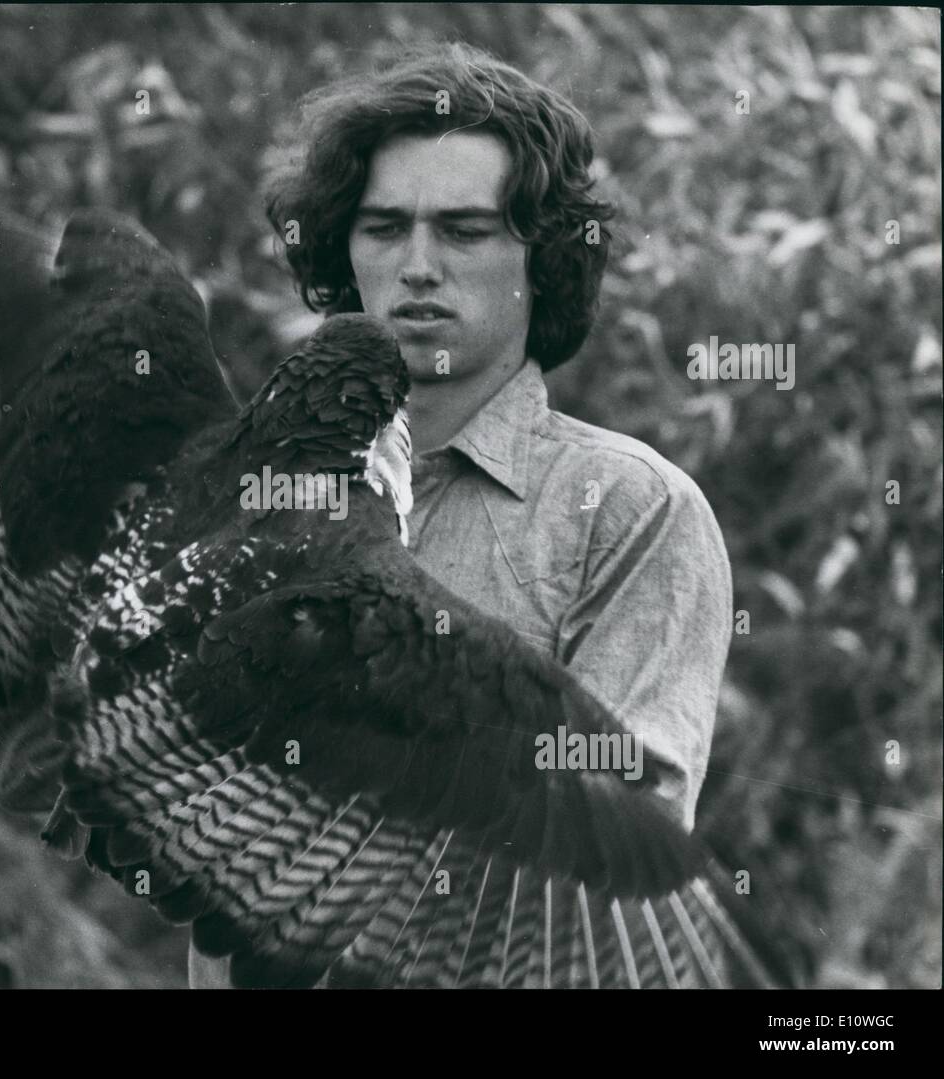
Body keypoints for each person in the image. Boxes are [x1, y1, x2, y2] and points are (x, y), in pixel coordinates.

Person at [188, 41, 733, 988]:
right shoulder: (257, 503)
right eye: (384, 227)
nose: (419, 266)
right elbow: (102, 789)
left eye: (467, 230)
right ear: (341, 249)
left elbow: (604, 873)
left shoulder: (628, 511)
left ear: (544, 258)